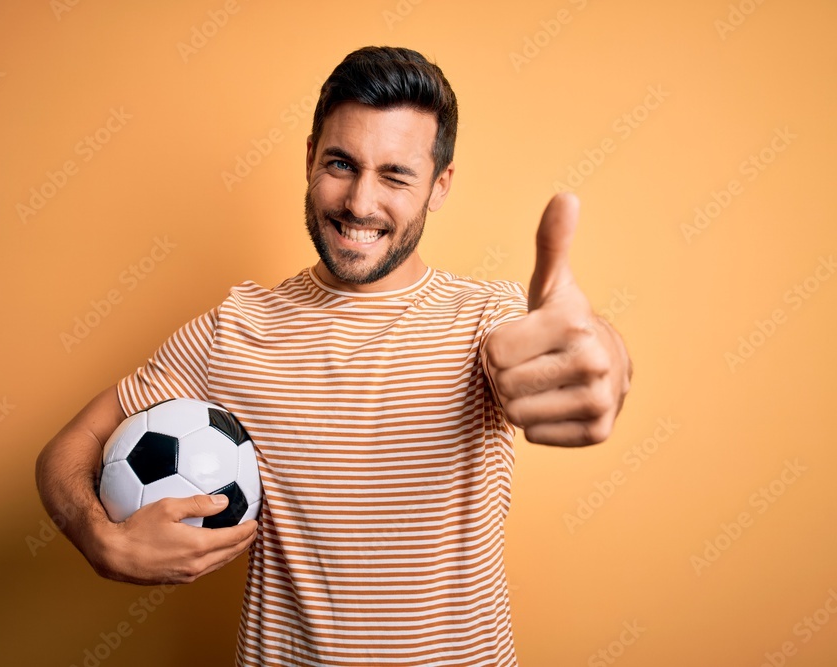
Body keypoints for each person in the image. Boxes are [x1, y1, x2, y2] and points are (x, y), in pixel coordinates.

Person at [36, 46, 631, 666]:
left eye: (396, 174)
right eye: (341, 164)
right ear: (311, 160)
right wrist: (98, 536)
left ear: (439, 185)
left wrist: (604, 361)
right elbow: (69, 446)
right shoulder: (233, 330)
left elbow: (578, 353)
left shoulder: (487, 323)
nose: (359, 202)